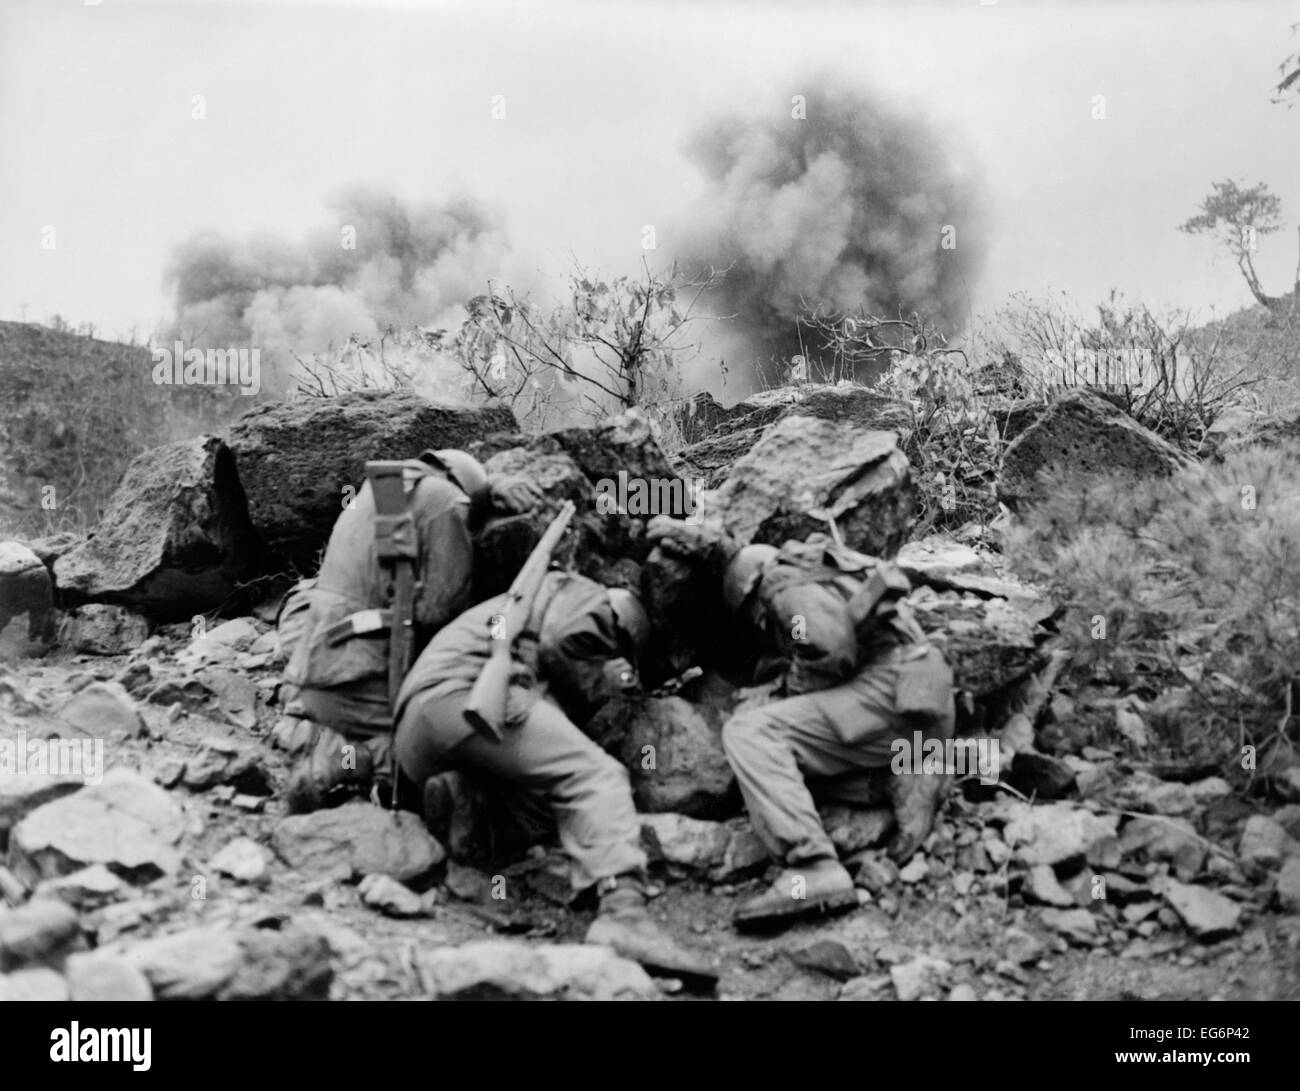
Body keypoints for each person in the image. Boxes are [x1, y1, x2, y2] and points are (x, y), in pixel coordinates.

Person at [393, 571, 716, 985]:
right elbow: (562, 641)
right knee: (597, 776)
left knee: (546, 802)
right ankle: (624, 912)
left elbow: (547, 682)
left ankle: (467, 801)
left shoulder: (522, 605)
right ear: (623, 629)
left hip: (417, 735)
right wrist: (609, 678)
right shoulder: (589, 599)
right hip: (467, 698)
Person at [646, 517, 955, 931]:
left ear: (748, 595)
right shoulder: (825, 571)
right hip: (921, 702)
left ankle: (813, 869)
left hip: (891, 696)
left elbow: (828, 645)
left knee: (751, 734)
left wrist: (787, 692)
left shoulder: (780, 585)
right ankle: (894, 779)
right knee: (787, 761)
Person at [279, 449, 539, 812]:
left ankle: (328, 766)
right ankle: (342, 773)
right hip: (362, 677)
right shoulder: (446, 502)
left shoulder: (379, 491)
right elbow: (441, 608)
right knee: (435, 739)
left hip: (317, 671)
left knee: (374, 737)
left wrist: (485, 488)